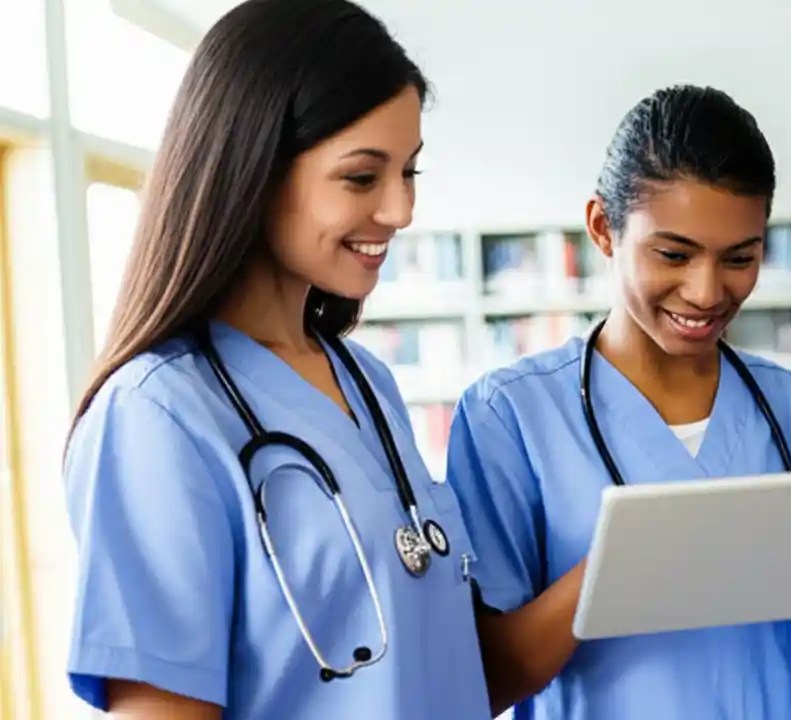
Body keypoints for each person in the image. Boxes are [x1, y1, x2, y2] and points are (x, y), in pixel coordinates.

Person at [61, 1, 488, 717]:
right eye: (362, 177)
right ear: (253, 170)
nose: (401, 210)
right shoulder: (156, 417)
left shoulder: (368, 383)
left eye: (409, 171)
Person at [446, 84, 791, 720]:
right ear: (603, 228)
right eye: (673, 254)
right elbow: (488, 679)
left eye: (740, 258)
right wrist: (622, 563)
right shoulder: (510, 416)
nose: (706, 291)